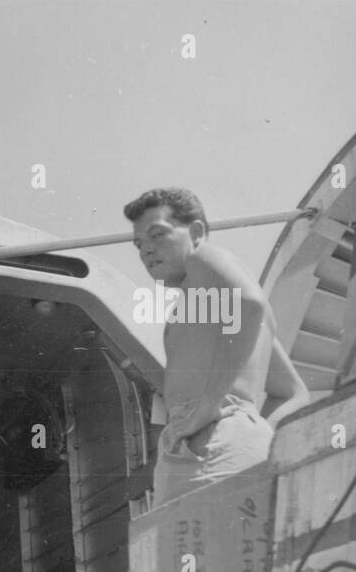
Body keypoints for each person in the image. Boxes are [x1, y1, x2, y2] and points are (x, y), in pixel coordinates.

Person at [124, 187, 306, 506]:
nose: (146, 250)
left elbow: (251, 304)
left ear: (196, 232)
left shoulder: (203, 258)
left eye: (158, 235)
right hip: (223, 439)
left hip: (212, 440)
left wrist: (212, 406)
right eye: (139, 243)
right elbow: (292, 392)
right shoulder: (210, 305)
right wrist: (255, 435)